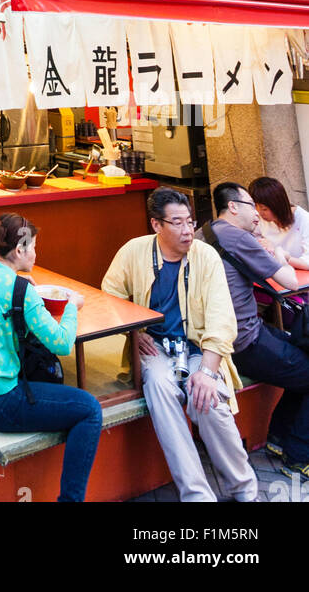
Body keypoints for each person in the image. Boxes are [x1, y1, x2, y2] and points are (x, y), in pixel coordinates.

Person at [102, 186, 257, 503]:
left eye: (190, 221)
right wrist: (134, 332)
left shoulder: (206, 256)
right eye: (177, 222)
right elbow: (109, 296)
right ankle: (197, 496)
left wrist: (208, 373)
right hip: (153, 347)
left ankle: (246, 490)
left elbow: (221, 318)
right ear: (156, 224)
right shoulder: (134, 251)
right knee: (160, 386)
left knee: (209, 401)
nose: (188, 230)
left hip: (199, 349)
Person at [0, 212, 102, 503]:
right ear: (19, 250)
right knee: (89, 410)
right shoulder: (22, 292)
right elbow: (61, 343)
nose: (36, 252)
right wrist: (71, 305)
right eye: (33, 247)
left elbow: (5, 295)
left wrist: (24, 285)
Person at [208, 181, 309, 480]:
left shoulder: (207, 232)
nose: (257, 213)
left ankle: (278, 441)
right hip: (244, 341)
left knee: (298, 354)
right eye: (251, 205)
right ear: (233, 207)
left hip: (229, 337)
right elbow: (290, 281)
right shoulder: (238, 238)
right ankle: (298, 458)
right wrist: (279, 257)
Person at [248, 176, 309, 271]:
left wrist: (280, 254)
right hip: (276, 274)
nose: (259, 212)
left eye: (264, 209)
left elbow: (308, 263)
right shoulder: (259, 220)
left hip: (301, 278)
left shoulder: (304, 219)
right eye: (256, 207)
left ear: (277, 204)